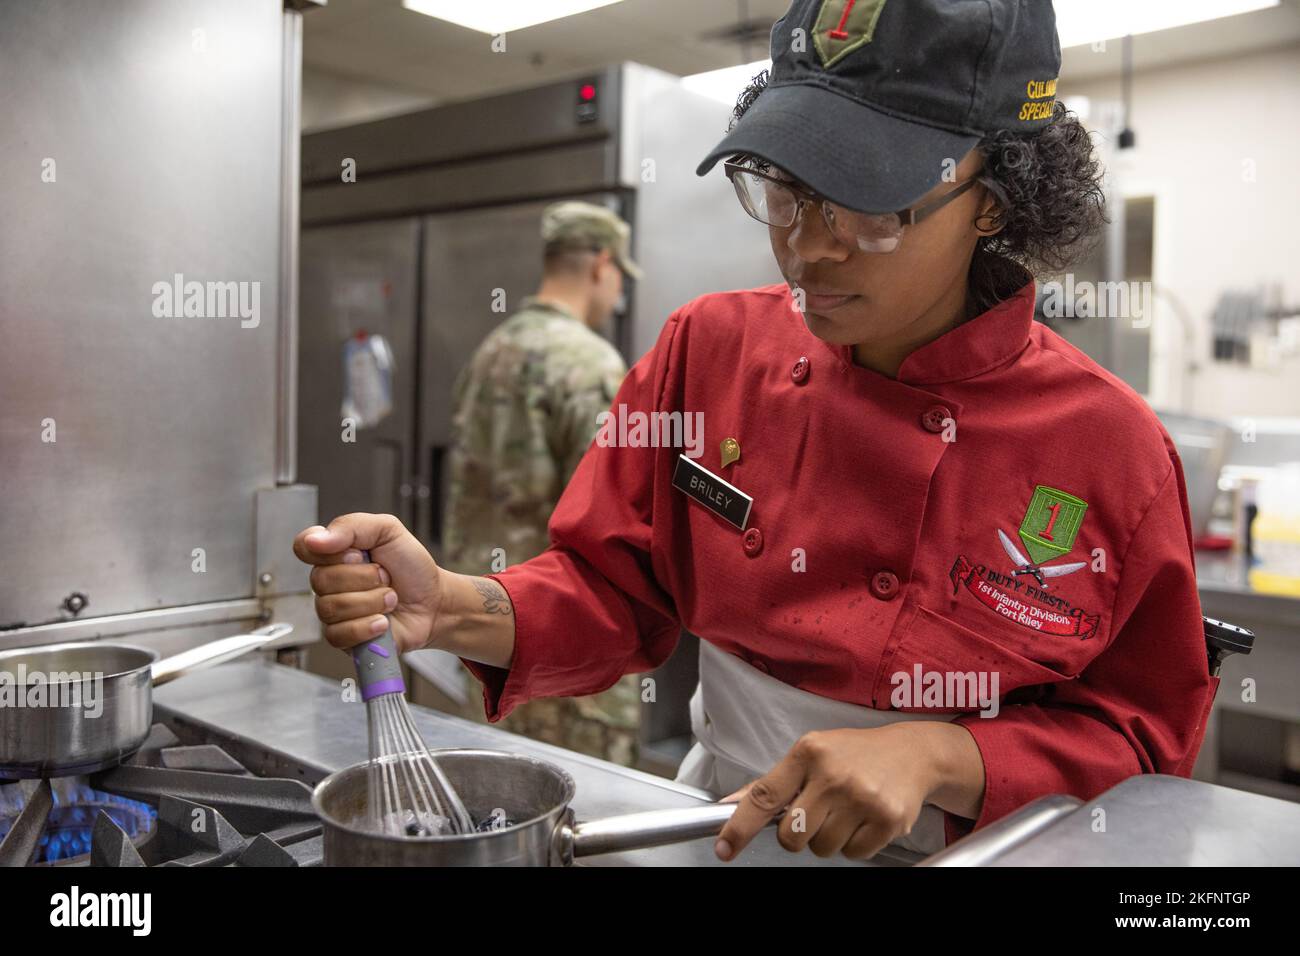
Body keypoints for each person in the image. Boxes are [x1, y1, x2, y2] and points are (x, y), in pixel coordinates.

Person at [295, 0, 1216, 862]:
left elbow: (1143, 737)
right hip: (724, 832)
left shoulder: (1110, 448)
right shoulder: (711, 349)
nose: (810, 245)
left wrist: (943, 755)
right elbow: (616, 590)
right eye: (786, 189)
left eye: (873, 205)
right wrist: (451, 606)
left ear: (995, 199)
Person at [440, 201, 646, 766]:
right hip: (561, 646)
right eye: (618, 281)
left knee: (496, 806)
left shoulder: (492, 350)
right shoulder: (590, 365)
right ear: (602, 265)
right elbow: (616, 515)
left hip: (483, 631)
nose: (616, 297)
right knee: (573, 823)